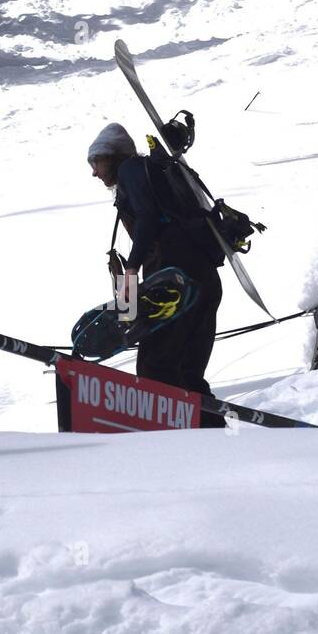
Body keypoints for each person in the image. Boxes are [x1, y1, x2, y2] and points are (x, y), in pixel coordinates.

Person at [88, 122, 225, 428]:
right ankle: (214, 440)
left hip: (177, 285)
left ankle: (170, 448)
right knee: (187, 374)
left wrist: (134, 266)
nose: (94, 172)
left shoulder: (132, 170)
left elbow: (149, 218)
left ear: (113, 156)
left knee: (156, 370)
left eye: (95, 161)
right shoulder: (150, 174)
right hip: (202, 280)